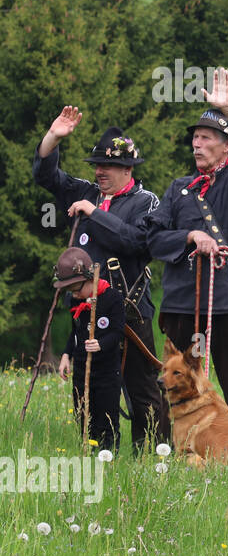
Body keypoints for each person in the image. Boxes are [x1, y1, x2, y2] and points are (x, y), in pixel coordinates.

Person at [144, 68, 228, 454]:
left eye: (206, 138)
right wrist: (190, 235)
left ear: (226, 147)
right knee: (174, 378)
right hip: (183, 301)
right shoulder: (178, 189)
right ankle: (172, 451)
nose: (197, 144)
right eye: (195, 138)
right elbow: (154, 237)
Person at [34, 108, 168, 451]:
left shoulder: (147, 201)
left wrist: (94, 213)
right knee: (90, 386)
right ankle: (98, 448)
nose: (98, 171)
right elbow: (48, 177)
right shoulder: (86, 191)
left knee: (142, 389)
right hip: (84, 309)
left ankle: (151, 451)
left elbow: (136, 242)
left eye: (106, 167)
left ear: (127, 170)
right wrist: (53, 138)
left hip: (131, 309)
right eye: (96, 165)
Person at [54, 248, 125, 452]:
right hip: (81, 370)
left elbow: (118, 332)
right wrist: (66, 355)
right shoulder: (75, 300)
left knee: (107, 418)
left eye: (77, 289)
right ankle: (88, 451)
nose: (75, 295)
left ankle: (110, 455)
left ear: (90, 279)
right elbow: (74, 330)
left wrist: (101, 344)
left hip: (107, 373)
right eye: (71, 291)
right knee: (84, 416)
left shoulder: (112, 298)